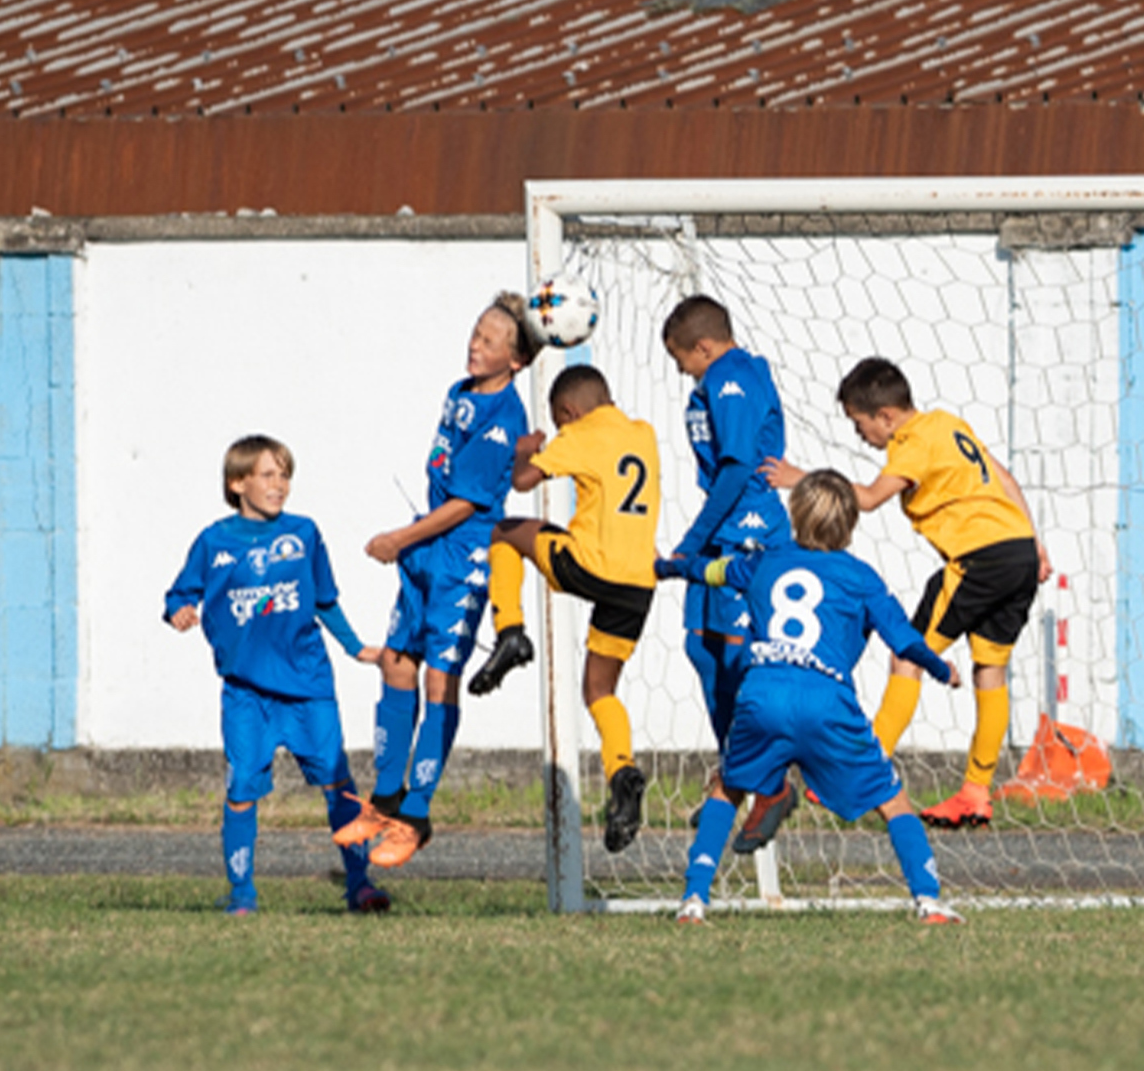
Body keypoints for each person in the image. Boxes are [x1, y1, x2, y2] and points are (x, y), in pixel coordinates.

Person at [666, 470, 962, 925]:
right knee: (892, 799)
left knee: (727, 785)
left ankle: (693, 901)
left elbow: (713, 571)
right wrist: (942, 669)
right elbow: (904, 640)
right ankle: (929, 902)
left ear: (793, 515)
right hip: (827, 702)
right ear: (850, 525)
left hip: (763, 694)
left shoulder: (763, 561)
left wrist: (669, 567)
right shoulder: (861, 578)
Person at [766, 357, 1049, 830]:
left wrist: (802, 479)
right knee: (991, 669)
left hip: (980, 558)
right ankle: (976, 793)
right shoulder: (947, 424)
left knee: (906, 656)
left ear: (886, 417)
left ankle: (861, 767)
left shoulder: (912, 443)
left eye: (859, 424)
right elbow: (1006, 479)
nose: (861, 436)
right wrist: (1035, 543)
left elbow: (871, 498)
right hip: (1018, 550)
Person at [336, 294, 534, 869]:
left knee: (440, 680)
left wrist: (399, 538)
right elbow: (496, 468)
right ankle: (385, 797)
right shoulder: (460, 392)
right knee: (397, 661)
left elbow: (471, 501)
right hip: (425, 555)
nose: (477, 345)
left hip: (459, 561)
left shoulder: (504, 414)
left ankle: (416, 815)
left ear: (515, 360)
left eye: (491, 342)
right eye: (476, 334)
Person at [165, 435, 388, 915]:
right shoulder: (214, 542)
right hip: (247, 694)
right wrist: (180, 611)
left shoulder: (304, 534)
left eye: (285, 474)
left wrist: (356, 648)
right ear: (237, 482)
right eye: (268, 474)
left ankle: (360, 884)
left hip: (308, 687)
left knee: (337, 781)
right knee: (243, 786)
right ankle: (242, 894)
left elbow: (324, 600)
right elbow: (178, 594)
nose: (280, 484)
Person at [466, 365, 662, 852]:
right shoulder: (644, 434)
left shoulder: (577, 435)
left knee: (503, 534)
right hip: (639, 582)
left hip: (591, 566)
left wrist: (527, 450)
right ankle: (623, 770)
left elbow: (524, 482)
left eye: (559, 422)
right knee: (599, 689)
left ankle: (510, 630)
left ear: (569, 413)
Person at [658, 294, 799, 854]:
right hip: (719, 532)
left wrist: (691, 543)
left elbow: (740, 466)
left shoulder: (733, 375)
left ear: (704, 347)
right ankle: (742, 772)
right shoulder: (714, 378)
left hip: (749, 534)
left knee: (741, 659)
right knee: (702, 650)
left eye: (681, 360)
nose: (680, 372)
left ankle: (766, 785)